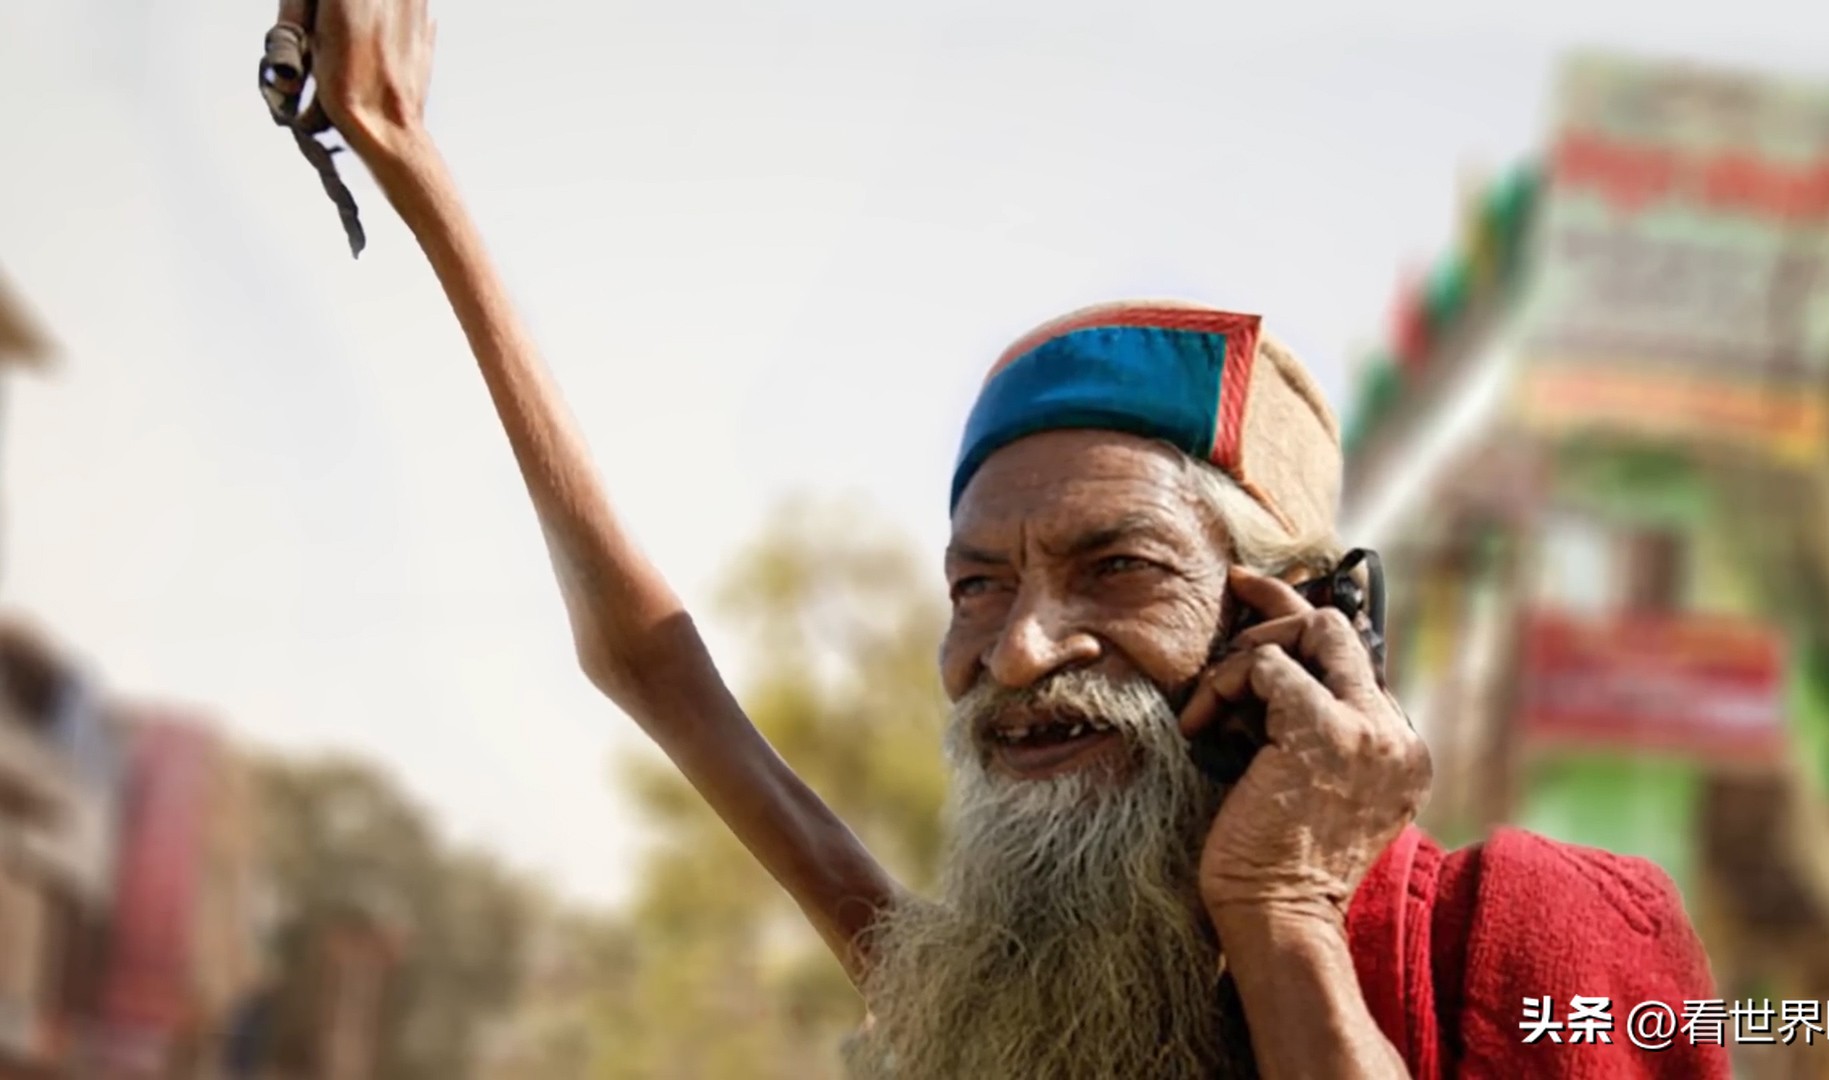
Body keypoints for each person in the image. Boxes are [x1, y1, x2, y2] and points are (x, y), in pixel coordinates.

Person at [293, 3, 1730, 1077]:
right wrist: (414, 166)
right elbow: (655, 669)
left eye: (1117, 569)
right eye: (977, 586)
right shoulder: (1001, 1004)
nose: (1020, 651)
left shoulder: (1542, 938)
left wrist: (1283, 910)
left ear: (1284, 626)